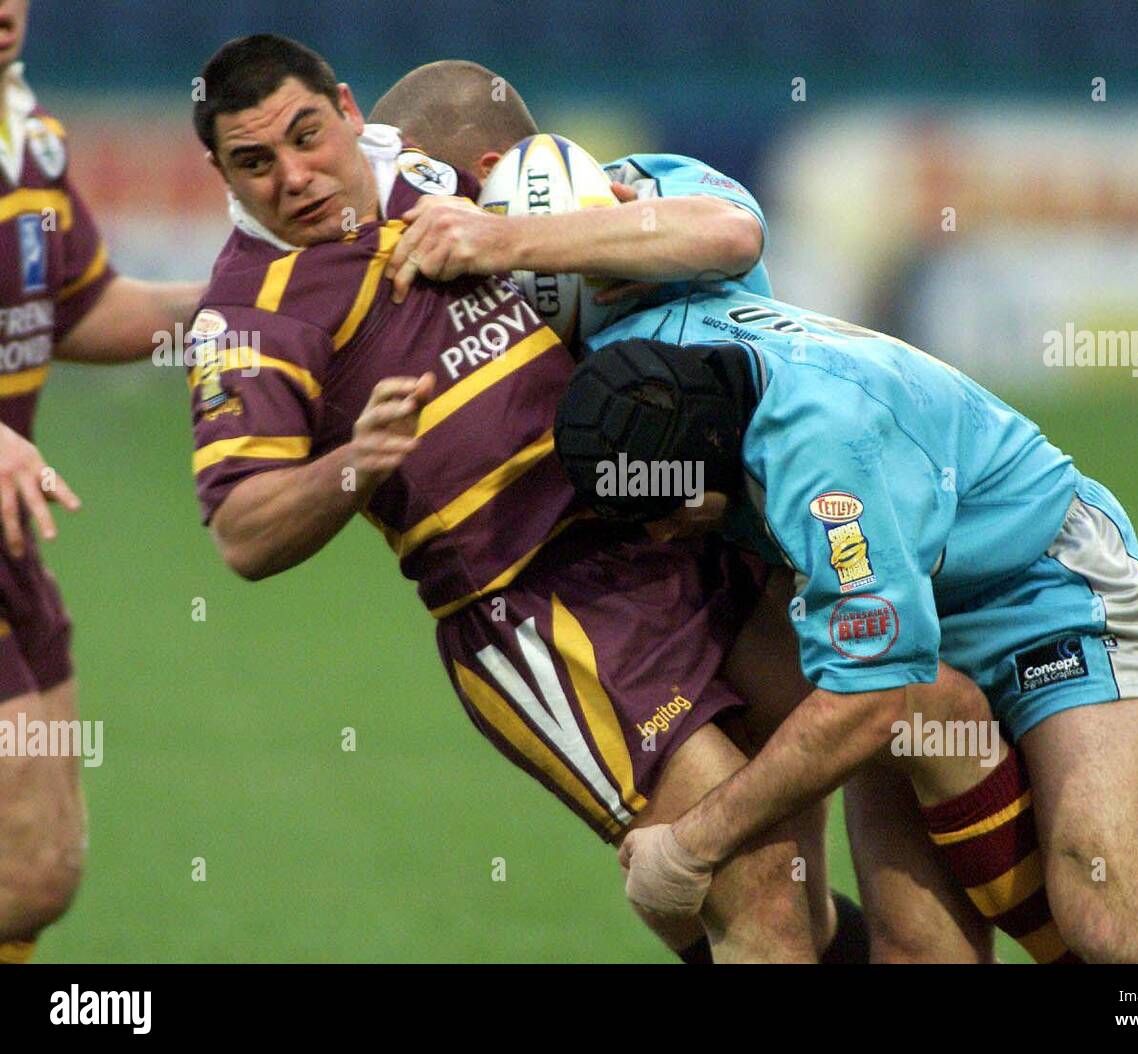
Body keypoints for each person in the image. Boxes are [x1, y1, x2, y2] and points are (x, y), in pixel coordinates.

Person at [186, 33, 867, 963]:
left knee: (908, 721)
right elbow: (241, 531)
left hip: (685, 536)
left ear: (349, 111)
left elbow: (716, 235)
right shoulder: (249, 316)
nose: (295, 177)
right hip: (549, 615)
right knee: (758, 900)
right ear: (221, 173)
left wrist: (592, 231)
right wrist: (355, 462)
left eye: (308, 136)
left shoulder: (444, 170)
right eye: (255, 164)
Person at [368, 58, 1025, 964]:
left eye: (421, 178)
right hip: (585, 606)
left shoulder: (630, 190)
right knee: (755, 896)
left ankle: (1079, 940)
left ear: (480, 172)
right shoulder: (424, 288)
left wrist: (516, 240)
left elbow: (730, 235)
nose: (405, 204)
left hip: (759, 555)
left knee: (895, 764)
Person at [554, 289, 1138, 963]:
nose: (660, 537)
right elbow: (714, 209)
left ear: (713, 460)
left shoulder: (821, 466)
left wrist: (691, 847)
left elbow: (871, 701)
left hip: (1049, 590)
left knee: (1116, 927)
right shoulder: (653, 348)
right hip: (907, 618)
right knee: (915, 951)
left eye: (668, 515)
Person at [0, 0, 203, 963]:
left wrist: (256, 302)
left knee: (42, 872)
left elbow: (86, 309)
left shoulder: (29, 141)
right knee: (23, 867)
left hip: (10, 542)